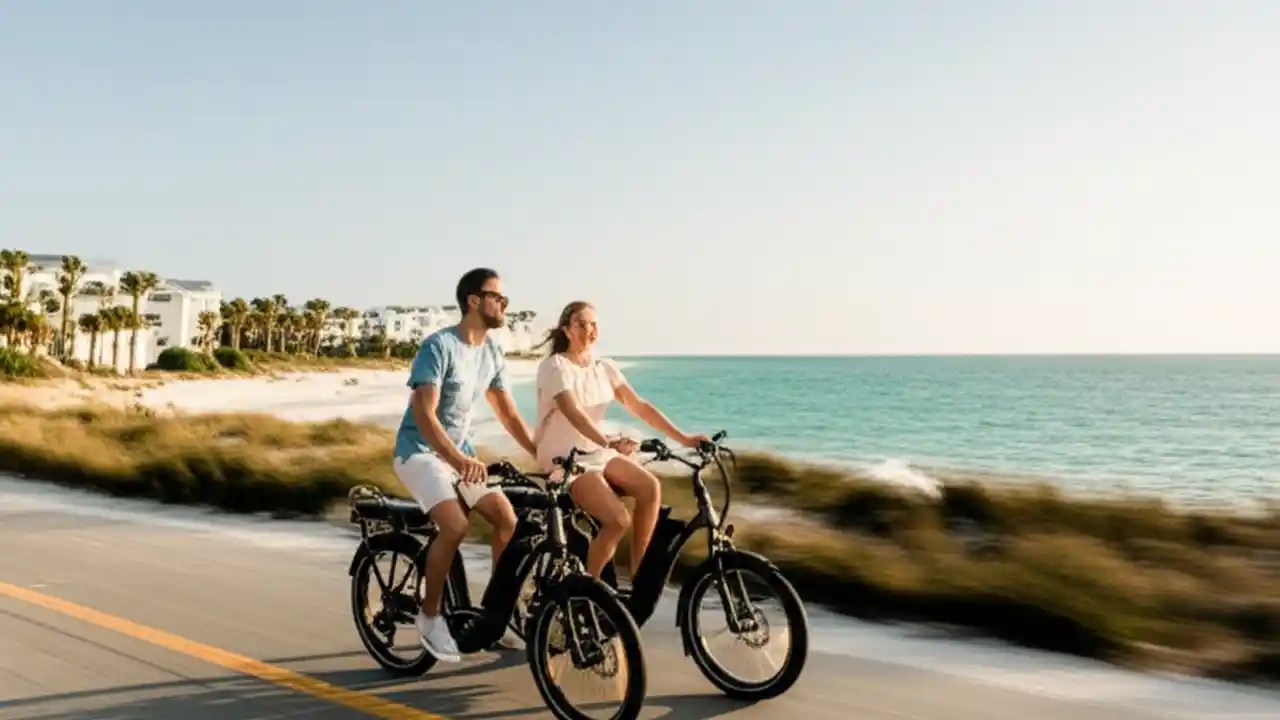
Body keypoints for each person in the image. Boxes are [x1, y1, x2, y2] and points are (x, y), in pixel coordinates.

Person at [394, 267, 537, 663]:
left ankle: (498, 614)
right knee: (454, 525)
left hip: (459, 456)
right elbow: (424, 413)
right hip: (419, 453)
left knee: (507, 519)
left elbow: (508, 415)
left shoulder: (491, 351)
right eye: (498, 297)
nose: (505, 304)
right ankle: (429, 615)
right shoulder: (438, 346)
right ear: (474, 301)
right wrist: (457, 458)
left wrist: (542, 453)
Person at [532, 300, 709, 583]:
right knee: (617, 521)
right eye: (581, 324)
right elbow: (573, 412)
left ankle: (640, 575)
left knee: (649, 487)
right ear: (566, 330)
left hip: (596, 449)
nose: (589, 330)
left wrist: (685, 439)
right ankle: (584, 594)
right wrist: (609, 442)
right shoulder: (555, 367)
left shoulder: (605, 367)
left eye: (594, 324)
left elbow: (639, 406)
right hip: (565, 457)